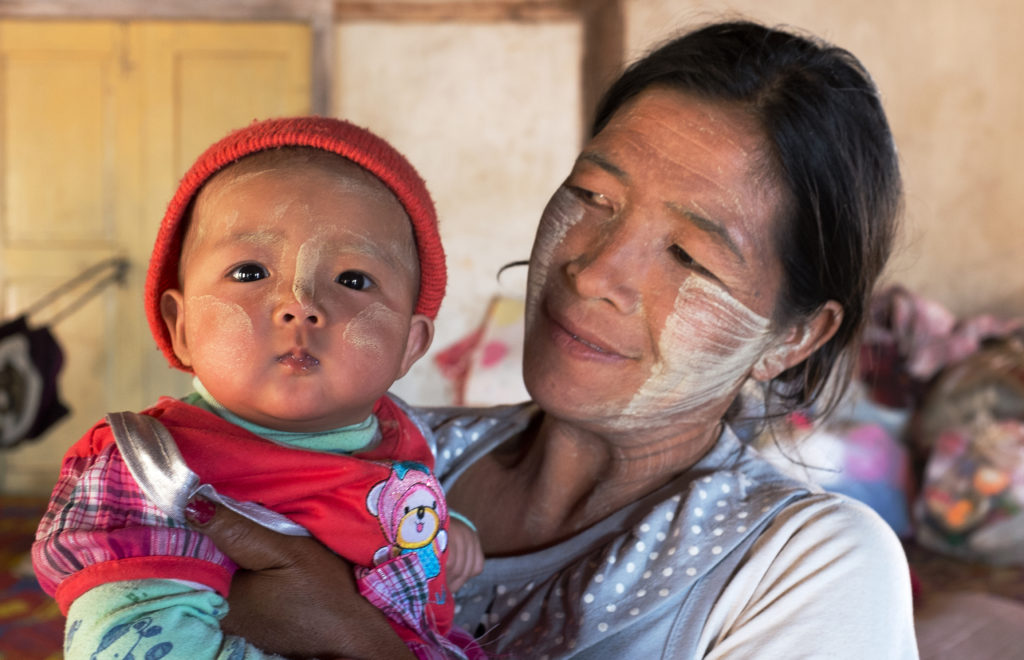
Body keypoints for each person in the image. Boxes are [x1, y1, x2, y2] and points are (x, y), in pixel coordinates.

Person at [176, 19, 920, 659]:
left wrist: (359, 637)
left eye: (689, 256)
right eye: (593, 198)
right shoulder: (388, 456)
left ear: (793, 336)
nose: (595, 269)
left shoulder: (806, 566)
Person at [32, 117, 485, 659]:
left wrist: (439, 532)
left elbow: (379, 505)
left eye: (353, 279)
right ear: (178, 326)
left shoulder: (401, 431)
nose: (299, 303)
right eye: (249, 272)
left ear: (410, 344)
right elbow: (129, 643)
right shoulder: (152, 470)